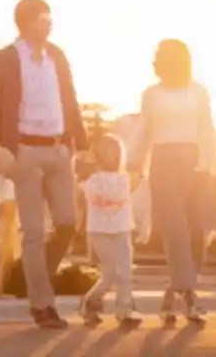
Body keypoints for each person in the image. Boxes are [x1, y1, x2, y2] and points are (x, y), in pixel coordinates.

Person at [0, 0, 89, 329]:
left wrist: (80, 143)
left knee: (68, 222)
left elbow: (70, 97)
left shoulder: (57, 55)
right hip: (24, 151)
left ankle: (32, 275)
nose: (49, 24)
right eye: (43, 18)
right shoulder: (5, 59)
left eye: (49, 18)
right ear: (26, 23)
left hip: (58, 149)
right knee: (32, 231)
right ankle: (42, 304)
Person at [129, 39, 214, 324]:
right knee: (175, 228)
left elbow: (206, 128)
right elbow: (144, 129)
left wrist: (206, 163)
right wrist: (133, 165)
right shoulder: (152, 94)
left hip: (195, 161)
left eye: (166, 58)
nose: (160, 63)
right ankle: (188, 294)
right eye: (159, 58)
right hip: (163, 160)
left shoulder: (198, 91)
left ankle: (173, 290)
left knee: (197, 231)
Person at [77, 134, 143, 327]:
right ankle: (91, 302)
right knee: (111, 272)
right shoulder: (91, 179)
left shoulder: (125, 178)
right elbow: (93, 193)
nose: (110, 155)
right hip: (99, 231)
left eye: (113, 151)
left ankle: (125, 310)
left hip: (122, 228)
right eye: (104, 151)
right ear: (96, 154)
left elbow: (124, 195)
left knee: (125, 272)